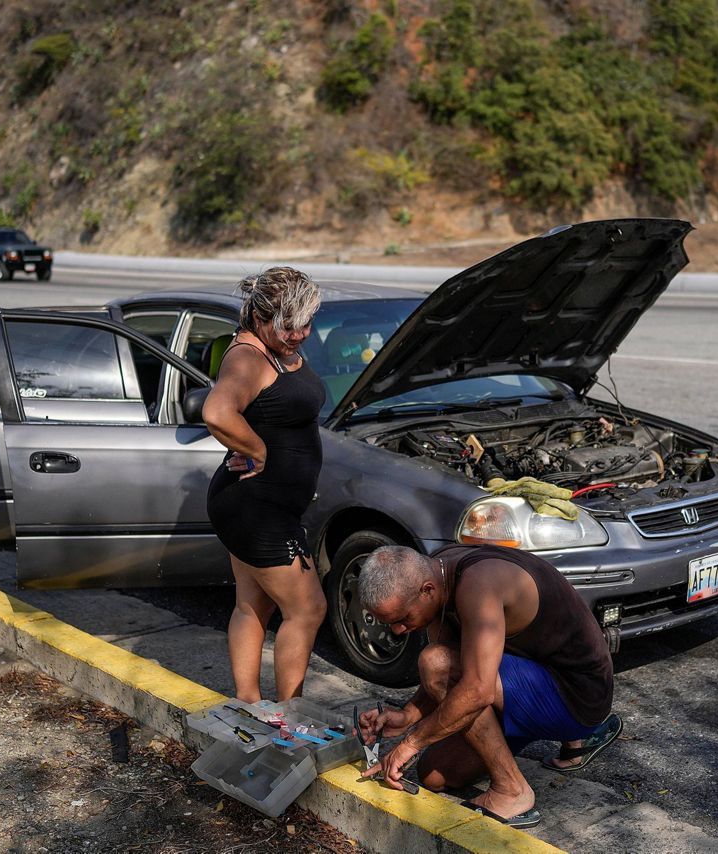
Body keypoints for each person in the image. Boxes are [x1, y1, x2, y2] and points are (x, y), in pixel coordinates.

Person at [356, 544, 620, 829]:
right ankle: (570, 744)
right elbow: (459, 668)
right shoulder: (433, 571)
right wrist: (407, 716)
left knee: (435, 662)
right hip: (529, 683)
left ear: (427, 590)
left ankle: (513, 791)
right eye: (390, 623)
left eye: (403, 619)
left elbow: (474, 687)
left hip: (579, 698)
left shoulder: (478, 584)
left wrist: (412, 741)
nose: (398, 631)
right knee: (436, 775)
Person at [203, 267, 327, 703]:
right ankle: (288, 714)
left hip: (261, 506)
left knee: (253, 604)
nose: (299, 335)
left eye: (306, 324)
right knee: (308, 609)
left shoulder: (278, 351)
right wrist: (258, 450)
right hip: (256, 509)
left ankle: (248, 705)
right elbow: (218, 413)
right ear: (259, 317)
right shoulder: (248, 359)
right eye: (288, 326)